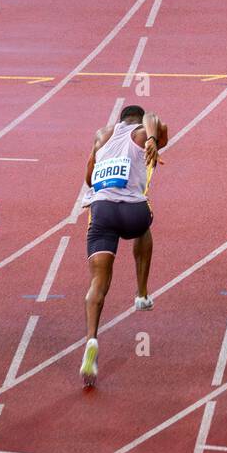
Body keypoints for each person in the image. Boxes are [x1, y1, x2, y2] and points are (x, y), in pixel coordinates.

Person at [78, 104, 167, 388]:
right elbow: (154, 119)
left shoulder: (101, 135)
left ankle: (92, 338)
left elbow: (89, 178)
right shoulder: (142, 132)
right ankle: (141, 293)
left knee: (98, 282)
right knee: (144, 227)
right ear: (137, 121)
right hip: (133, 212)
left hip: (102, 210)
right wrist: (152, 139)